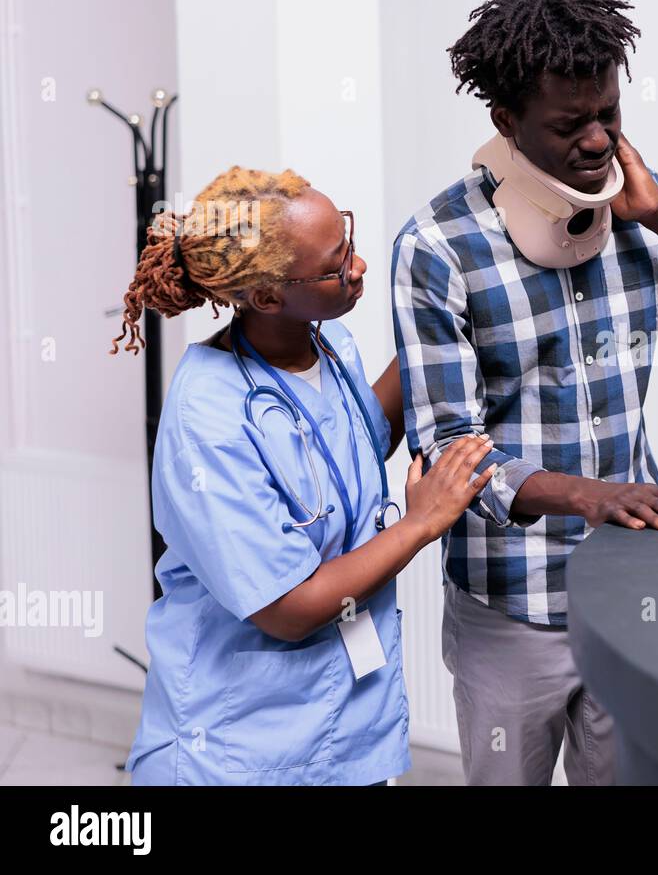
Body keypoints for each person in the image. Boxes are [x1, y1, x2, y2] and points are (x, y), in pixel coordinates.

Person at [392, 0, 658, 785]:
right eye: (570, 123)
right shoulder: (438, 248)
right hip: (511, 608)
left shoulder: (641, 209)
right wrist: (589, 494)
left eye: (609, 114)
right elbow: (447, 449)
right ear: (507, 121)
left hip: (631, 595)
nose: (597, 141)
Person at [114, 166, 494, 785]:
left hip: (342, 723)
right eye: (334, 265)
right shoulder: (208, 417)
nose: (359, 266)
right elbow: (287, 609)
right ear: (266, 297)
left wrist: (437, 328)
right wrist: (422, 524)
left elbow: (356, 446)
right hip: (240, 745)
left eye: (348, 242)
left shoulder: (330, 344)